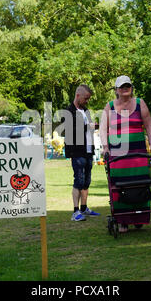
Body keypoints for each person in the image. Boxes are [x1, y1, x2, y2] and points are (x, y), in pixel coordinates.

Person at [100, 75, 151, 232]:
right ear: (116, 90)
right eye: (122, 86)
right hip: (118, 154)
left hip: (138, 153)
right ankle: (123, 220)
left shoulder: (140, 103)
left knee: (140, 183)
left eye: (128, 86)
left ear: (131, 87)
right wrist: (105, 147)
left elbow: (149, 124)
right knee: (119, 186)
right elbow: (103, 129)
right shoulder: (110, 106)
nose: (125, 88)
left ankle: (139, 217)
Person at [63, 84, 100, 222]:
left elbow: (87, 129)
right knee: (78, 180)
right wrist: (87, 126)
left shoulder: (86, 110)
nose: (87, 101)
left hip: (88, 150)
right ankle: (75, 211)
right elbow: (68, 130)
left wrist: (93, 127)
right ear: (78, 96)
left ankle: (84, 208)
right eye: (86, 98)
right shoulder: (68, 111)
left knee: (87, 181)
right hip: (77, 152)